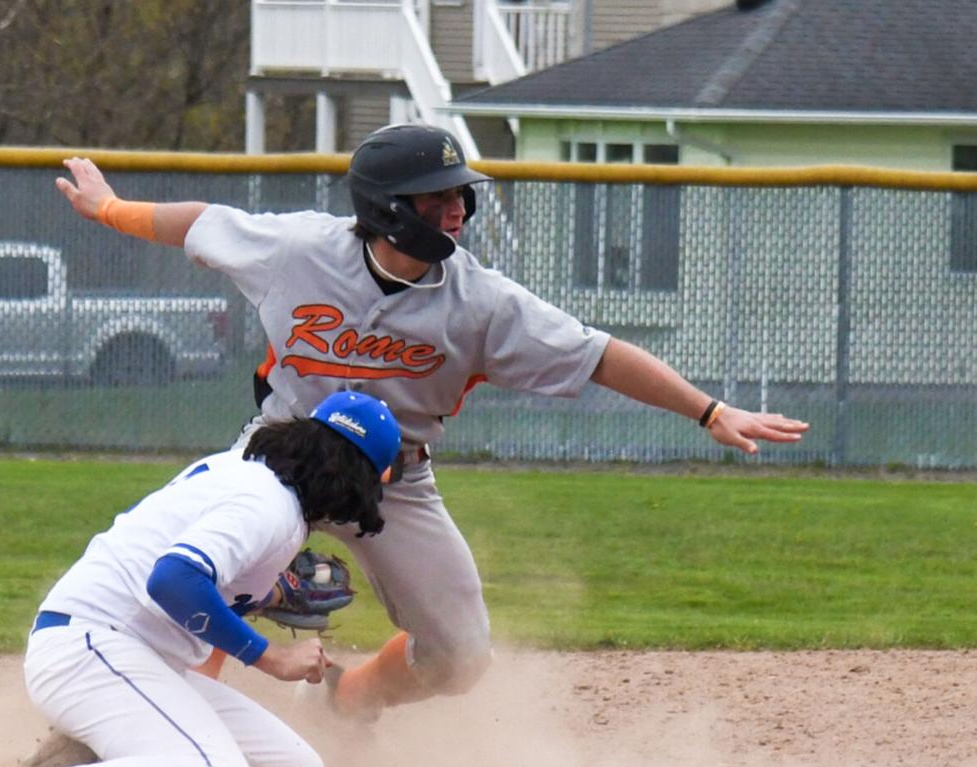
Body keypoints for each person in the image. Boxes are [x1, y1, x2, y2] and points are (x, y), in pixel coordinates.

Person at [51, 123, 809, 722]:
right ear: (387, 207)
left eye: (460, 194)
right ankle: (140, 718)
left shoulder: (481, 302)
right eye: (436, 195)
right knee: (207, 580)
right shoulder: (299, 250)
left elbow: (599, 355)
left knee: (459, 658)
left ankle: (348, 701)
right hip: (279, 457)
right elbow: (201, 223)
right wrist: (111, 209)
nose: (456, 208)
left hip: (394, 482)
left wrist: (708, 410)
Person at [0, 391, 401, 767]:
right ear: (351, 475)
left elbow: (187, 573)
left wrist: (268, 593)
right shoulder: (266, 505)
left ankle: (106, 765)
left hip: (137, 658)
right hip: (89, 649)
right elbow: (172, 579)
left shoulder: (254, 479)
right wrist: (270, 657)